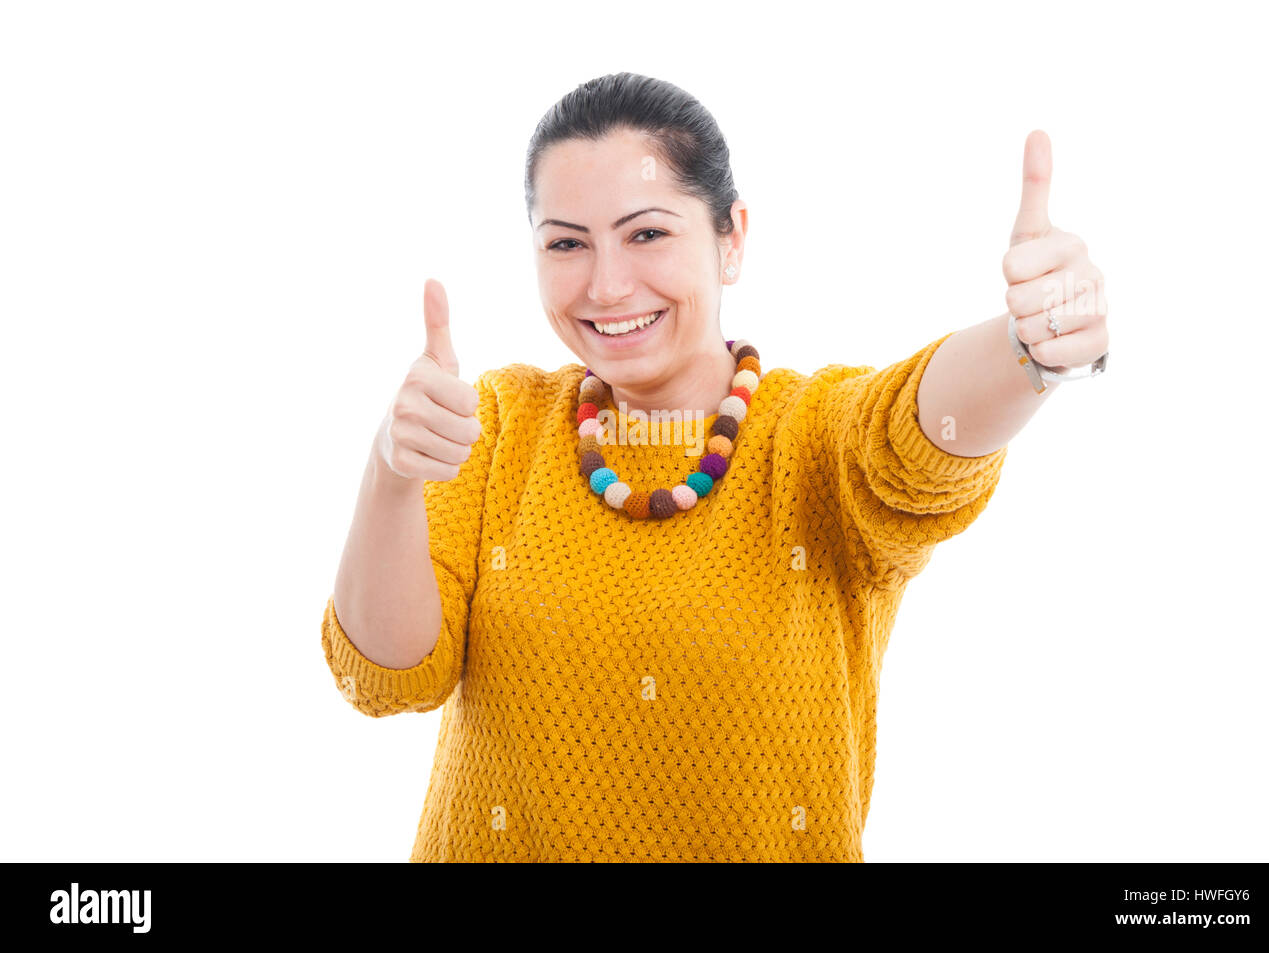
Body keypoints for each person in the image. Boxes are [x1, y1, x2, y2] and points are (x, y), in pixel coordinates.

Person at [321, 72, 1109, 862]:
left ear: (731, 237)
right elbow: (392, 674)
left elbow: (914, 438)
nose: (606, 285)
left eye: (646, 234)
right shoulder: (491, 425)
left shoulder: (810, 435)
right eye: (567, 242)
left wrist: (1023, 348)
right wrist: (391, 469)